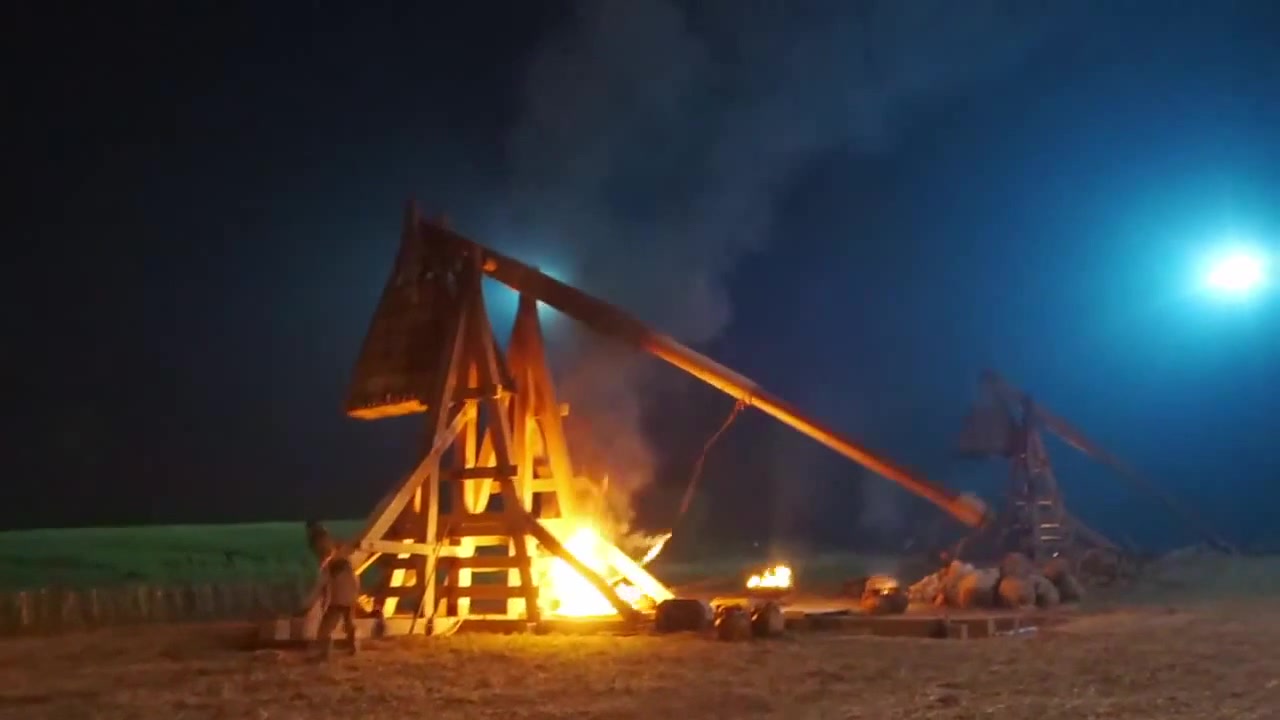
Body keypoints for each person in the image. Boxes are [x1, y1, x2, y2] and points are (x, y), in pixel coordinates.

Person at [305, 549, 360, 659]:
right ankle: (353, 647)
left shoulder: (329, 569)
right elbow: (356, 588)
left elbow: (321, 587)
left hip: (337, 603)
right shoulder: (352, 573)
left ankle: (324, 654)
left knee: (325, 629)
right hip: (350, 601)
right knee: (349, 625)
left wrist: (309, 604)